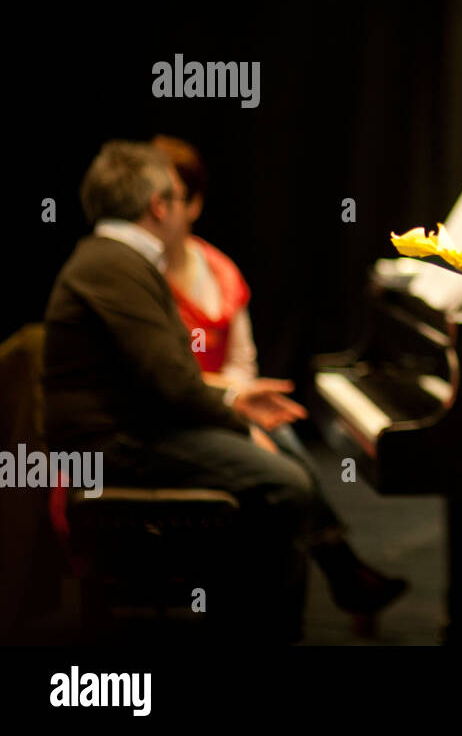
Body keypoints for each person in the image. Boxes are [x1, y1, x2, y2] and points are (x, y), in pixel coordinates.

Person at [41, 141, 400, 641]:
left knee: (284, 471)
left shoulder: (113, 259)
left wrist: (236, 402)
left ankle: (247, 620)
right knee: (286, 483)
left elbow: (167, 377)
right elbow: (172, 385)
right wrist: (238, 423)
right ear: (159, 206)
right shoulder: (115, 264)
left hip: (131, 429)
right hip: (111, 445)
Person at [148, 135, 408, 625]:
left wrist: (237, 405)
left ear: (196, 203)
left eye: (172, 199)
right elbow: (163, 377)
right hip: (177, 417)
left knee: (280, 435)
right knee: (280, 446)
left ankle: (333, 576)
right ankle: (341, 568)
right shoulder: (139, 276)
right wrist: (235, 411)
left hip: (221, 406)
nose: (159, 212)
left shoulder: (219, 271)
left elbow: (242, 362)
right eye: (150, 201)